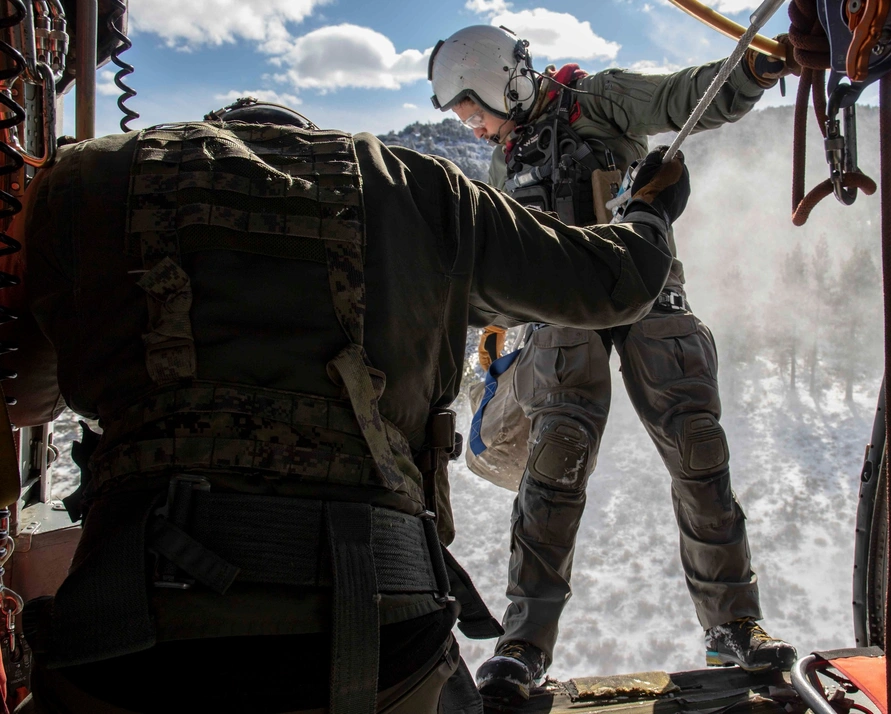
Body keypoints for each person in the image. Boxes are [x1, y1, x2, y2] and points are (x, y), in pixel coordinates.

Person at [18, 98, 688, 713]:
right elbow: (615, 281)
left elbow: (26, 397)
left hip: (121, 645)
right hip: (379, 641)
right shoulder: (425, 191)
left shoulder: (86, 182)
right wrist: (649, 208)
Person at [429, 25, 799, 703]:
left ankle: (734, 625)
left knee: (698, 450)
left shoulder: (596, 102)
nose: (475, 129)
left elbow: (689, 97)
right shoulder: (504, 166)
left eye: (474, 112)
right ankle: (524, 644)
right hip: (561, 318)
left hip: (650, 293)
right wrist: (496, 326)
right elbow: (509, 259)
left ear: (501, 81)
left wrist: (756, 67)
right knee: (556, 459)